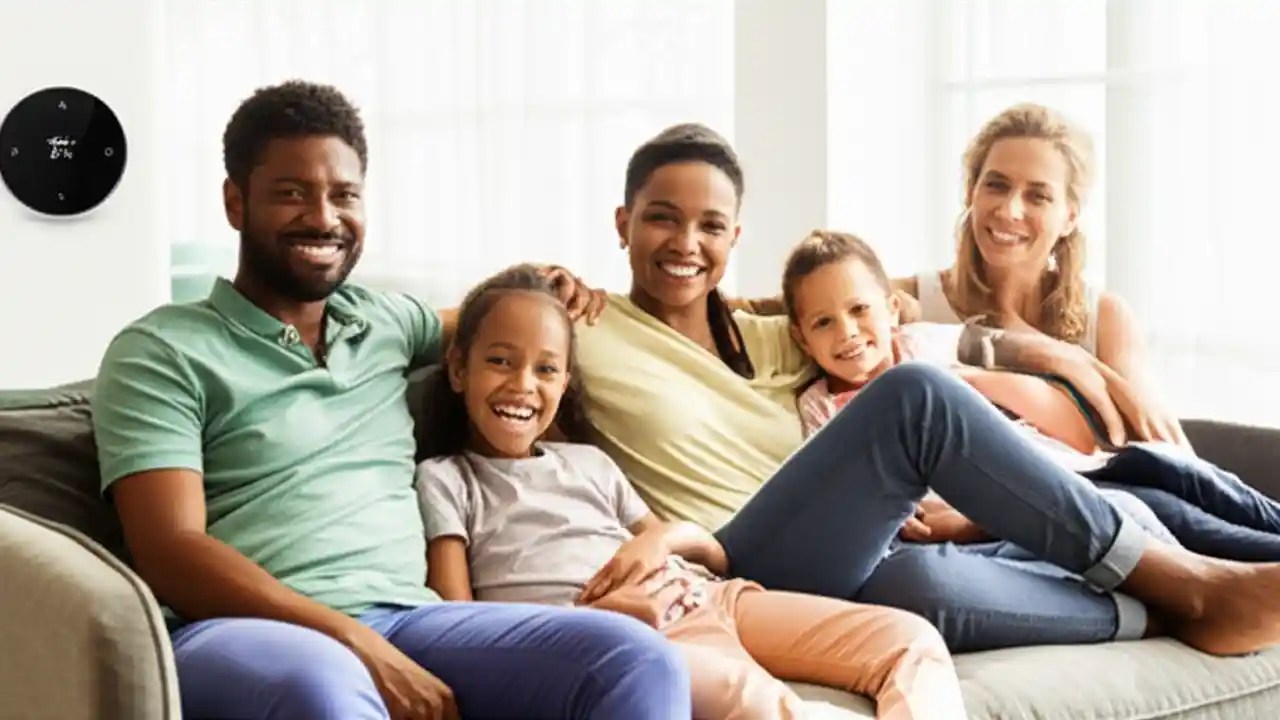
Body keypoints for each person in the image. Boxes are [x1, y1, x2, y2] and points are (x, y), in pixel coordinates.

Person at [91, 80, 692, 720]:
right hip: (244, 632)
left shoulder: (382, 324)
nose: (323, 217)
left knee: (633, 657)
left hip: (412, 620)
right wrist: (352, 638)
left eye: (343, 195)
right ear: (235, 202)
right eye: (291, 193)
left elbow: (499, 327)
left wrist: (553, 285)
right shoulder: (162, 351)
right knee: (319, 688)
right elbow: (170, 551)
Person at [574, 121, 1280, 654]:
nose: (686, 243)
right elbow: (471, 340)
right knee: (915, 397)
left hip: (855, 550)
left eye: (711, 226)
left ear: (735, 238)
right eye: (662, 217)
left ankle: (1171, 607)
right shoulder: (583, 327)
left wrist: (1064, 358)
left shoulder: (776, 334)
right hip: (737, 557)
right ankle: (1188, 587)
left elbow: (874, 307)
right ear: (622, 223)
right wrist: (538, 288)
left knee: (919, 591)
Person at [413, 263, 967, 720]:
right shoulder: (447, 479)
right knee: (760, 704)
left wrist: (659, 541)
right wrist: (598, 621)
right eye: (500, 361)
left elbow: (711, 550)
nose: (522, 385)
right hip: (623, 638)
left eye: (546, 369)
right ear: (459, 369)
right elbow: (462, 630)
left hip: (709, 595)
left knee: (908, 638)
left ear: (564, 383)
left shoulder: (589, 463)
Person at [783, 228, 1280, 562]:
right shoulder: (821, 406)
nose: (846, 333)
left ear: (892, 310)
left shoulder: (923, 344)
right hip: (1003, 508)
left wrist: (967, 383)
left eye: (859, 311)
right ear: (803, 338)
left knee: (1178, 476)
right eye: (824, 323)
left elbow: (1034, 395)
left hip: (1058, 466)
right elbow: (864, 494)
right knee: (1163, 514)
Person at [892, 102, 1186, 450]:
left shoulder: (1104, 319)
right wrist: (1050, 356)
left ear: (1069, 218)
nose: (1009, 210)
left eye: (1038, 196)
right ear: (972, 192)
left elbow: (1168, 451)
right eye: (996, 185)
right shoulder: (906, 302)